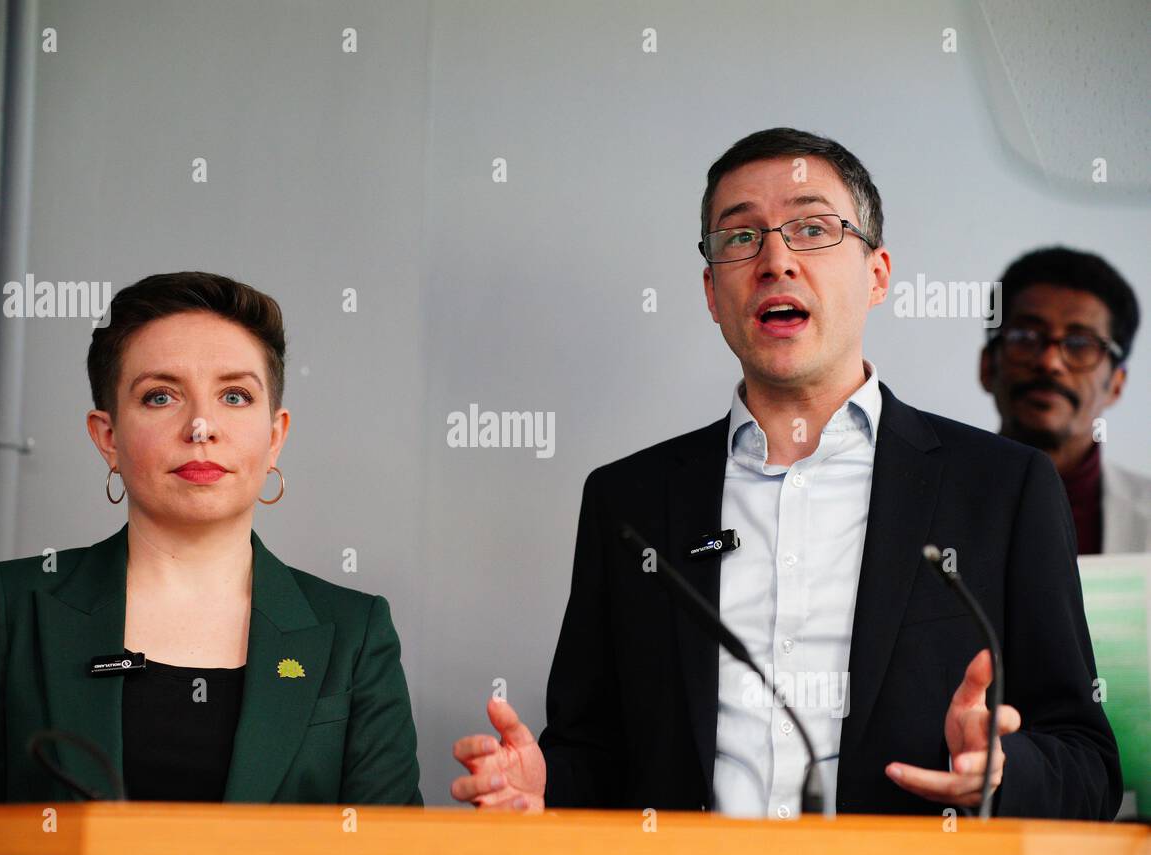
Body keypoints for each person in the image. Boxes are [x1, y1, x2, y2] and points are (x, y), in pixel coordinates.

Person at [451, 128, 1121, 820]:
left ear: (878, 275)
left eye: (812, 228)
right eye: (740, 238)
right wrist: (541, 790)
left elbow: (1088, 763)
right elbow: (597, 755)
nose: (775, 259)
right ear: (713, 293)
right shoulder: (629, 502)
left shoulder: (1003, 490)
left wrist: (1001, 772)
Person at [0, 272, 421, 805]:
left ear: (275, 437)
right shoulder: (13, 607)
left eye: (235, 395)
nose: (201, 426)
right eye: (159, 397)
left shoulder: (355, 633)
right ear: (108, 437)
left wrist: (505, 835)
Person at [979, 246, 1150, 554]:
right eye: (1026, 337)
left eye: (1080, 344)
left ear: (1116, 384)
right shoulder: (927, 500)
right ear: (988, 366)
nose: (1050, 362)